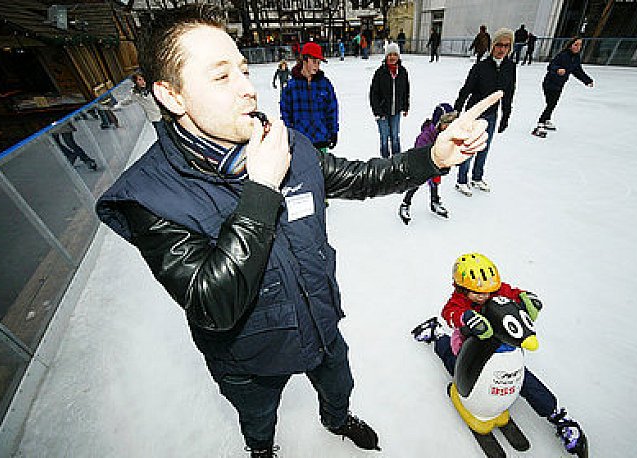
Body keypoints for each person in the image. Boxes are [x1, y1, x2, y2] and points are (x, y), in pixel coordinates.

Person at [94, 5, 502, 457]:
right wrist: (262, 188)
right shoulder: (149, 198)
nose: (248, 89)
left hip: (319, 322)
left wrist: (434, 158)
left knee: (339, 385)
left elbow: (363, 177)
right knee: (258, 418)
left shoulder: (282, 142)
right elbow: (214, 304)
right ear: (172, 96)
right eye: (221, 76)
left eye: (244, 71)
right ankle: (262, 450)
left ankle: (337, 418)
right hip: (248, 358)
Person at [411, 252, 588, 457]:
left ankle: (559, 418)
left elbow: (513, 294)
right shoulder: (458, 300)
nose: (485, 296)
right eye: (477, 293)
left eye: (489, 291)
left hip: (502, 352)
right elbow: (449, 312)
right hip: (470, 348)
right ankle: (436, 334)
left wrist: (525, 298)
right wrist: (465, 317)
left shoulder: (496, 290)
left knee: (524, 380)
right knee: (457, 367)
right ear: (462, 289)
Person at [453, 28, 516, 196]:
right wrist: (457, 109)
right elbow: (466, 89)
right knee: (469, 148)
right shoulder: (480, 67)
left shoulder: (510, 67)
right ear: (493, 46)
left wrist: (506, 116)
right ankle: (461, 180)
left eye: (506, 46)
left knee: (484, 148)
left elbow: (509, 93)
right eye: (499, 45)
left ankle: (477, 177)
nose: (502, 49)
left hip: (492, 115)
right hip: (474, 114)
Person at [398, 103, 457, 224]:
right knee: (416, 184)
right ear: (438, 123)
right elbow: (419, 153)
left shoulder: (446, 135)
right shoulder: (425, 136)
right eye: (446, 123)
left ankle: (434, 202)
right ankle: (405, 204)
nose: (448, 126)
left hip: (436, 165)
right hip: (421, 165)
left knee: (435, 182)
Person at [280, 42, 339, 153]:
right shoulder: (291, 86)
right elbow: (286, 113)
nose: (317, 66)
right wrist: (290, 135)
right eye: (314, 62)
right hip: (300, 142)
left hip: (321, 139)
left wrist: (333, 131)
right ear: (305, 60)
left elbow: (332, 109)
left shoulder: (324, 84)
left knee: (322, 170)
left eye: (319, 62)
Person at [535, 37, 594, 133]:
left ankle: (546, 120)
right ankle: (541, 123)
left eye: (580, 45)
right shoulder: (563, 55)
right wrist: (557, 69)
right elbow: (551, 66)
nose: (578, 47)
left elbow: (578, 71)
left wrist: (587, 80)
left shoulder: (576, 58)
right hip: (550, 83)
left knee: (552, 104)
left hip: (560, 84)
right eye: (576, 44)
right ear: (571, 45)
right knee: (551, 104)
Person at [369, 42, 409, 158]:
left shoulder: (402, 72)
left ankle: (397, 162)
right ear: (386, 56)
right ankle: (385, 164)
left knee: (395, 137)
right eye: (390, 55)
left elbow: (406, 90)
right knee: (384, 138)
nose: (392, 57)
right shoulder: (380, 73)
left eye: (395, 55)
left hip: (396, 111)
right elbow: (373, 94)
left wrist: (405, 106)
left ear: (398, 56)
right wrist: (377, 111)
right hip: (382, 112)